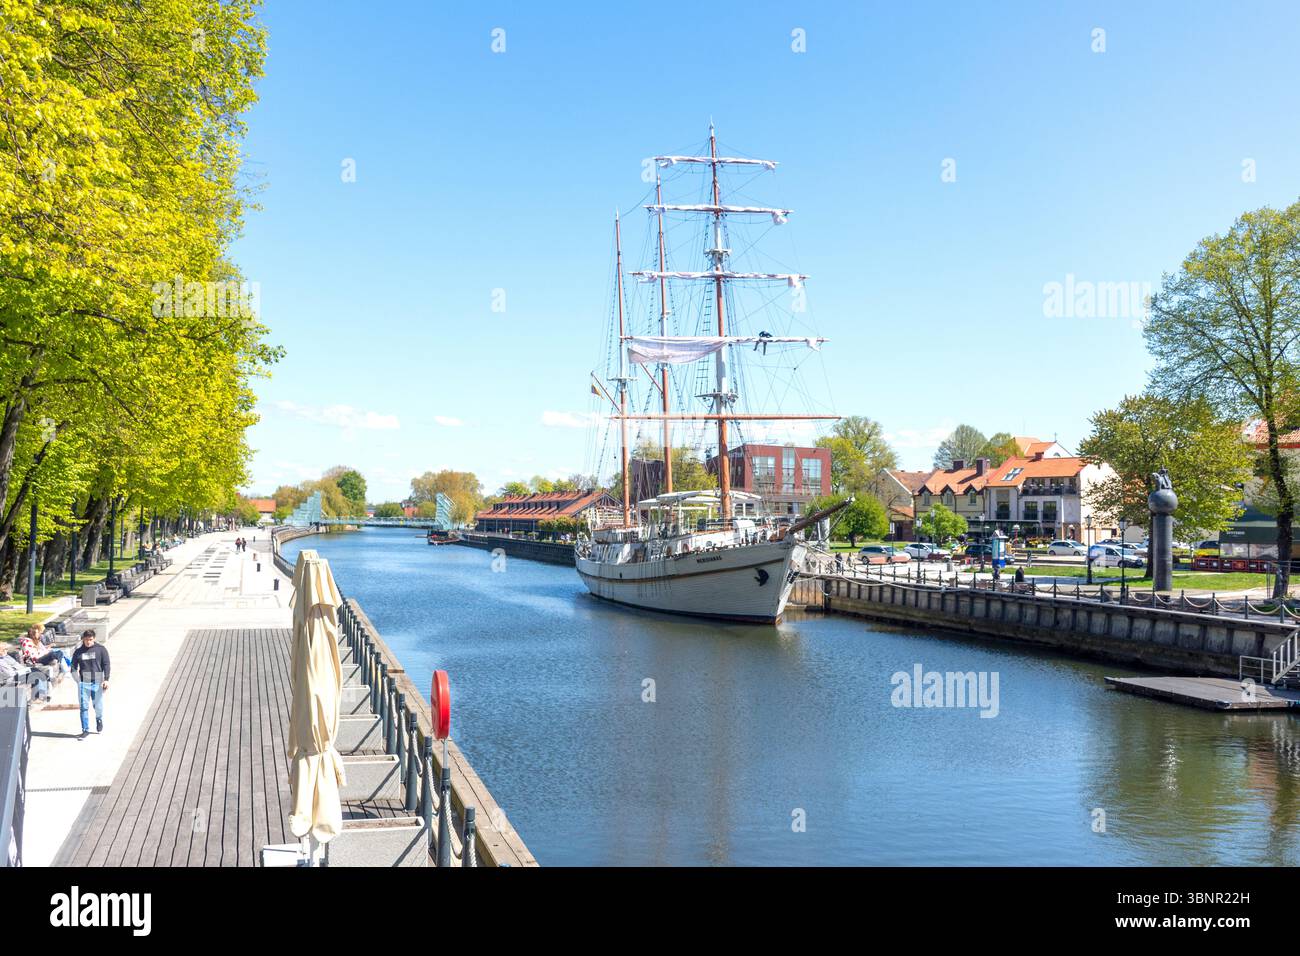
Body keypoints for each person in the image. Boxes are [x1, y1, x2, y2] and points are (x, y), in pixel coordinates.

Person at [70, 629, 110, 739]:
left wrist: (106, 679)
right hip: (84, 682)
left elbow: (106, 664)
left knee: (98, 706)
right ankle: (85, 730)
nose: (88, 642)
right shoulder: (78, 652)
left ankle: (99, 719)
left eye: (91, 640)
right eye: (86, 640)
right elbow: (73, 666)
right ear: (83, 639)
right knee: (83, 707)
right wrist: (77, 680)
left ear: (94, 639)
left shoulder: (101, 649)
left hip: (97, 681)